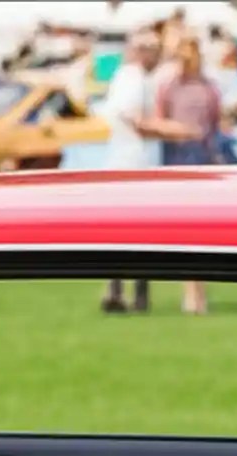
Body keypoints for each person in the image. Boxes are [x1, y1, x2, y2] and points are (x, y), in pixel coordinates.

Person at [154, 35, 224, 314]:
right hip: (177, 158)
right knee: (185, 229)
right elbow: (160, 121)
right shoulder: (169, 87)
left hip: (202, 160)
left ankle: (198, 290)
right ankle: (191, 291)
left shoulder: (208, 88)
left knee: (200, 229)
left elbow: (217, 126)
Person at [98, 30, 163, 314]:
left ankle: (126, 292)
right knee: (137, 233)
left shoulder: (133, 77)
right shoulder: (134, 78)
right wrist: (180, 131)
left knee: (126, 233)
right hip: (133, 164)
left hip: (129, 162)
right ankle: (133, 294)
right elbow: (136, 120)